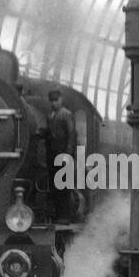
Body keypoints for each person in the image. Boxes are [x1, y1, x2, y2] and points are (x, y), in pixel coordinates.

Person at [44, 90, 77, 221]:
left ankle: (65, 216)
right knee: (54, 186)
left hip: (63, 155)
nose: (53, 103)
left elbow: (71, 135)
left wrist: (68, 155)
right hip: (52, 154)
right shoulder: (50, 115)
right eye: (51, 101)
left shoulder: (66, 114)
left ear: (61, 100)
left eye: (55, 100)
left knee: (63, 187)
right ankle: (58, 214)